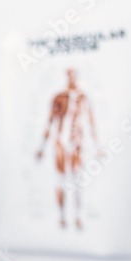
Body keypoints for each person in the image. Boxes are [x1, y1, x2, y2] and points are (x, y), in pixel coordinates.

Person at [35, 67, 100, 230]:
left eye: (74, 75)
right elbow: (50, 122)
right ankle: (62, 216)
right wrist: (42, 147)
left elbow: (90, 121)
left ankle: (77, 216)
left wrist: (96, 147)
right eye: (70, 75)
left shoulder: (83, 97)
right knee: (61, 180)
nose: (72, 78)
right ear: (67, 76)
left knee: (77, 180)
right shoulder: (59, 97)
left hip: (77, 142)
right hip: (61, 142)